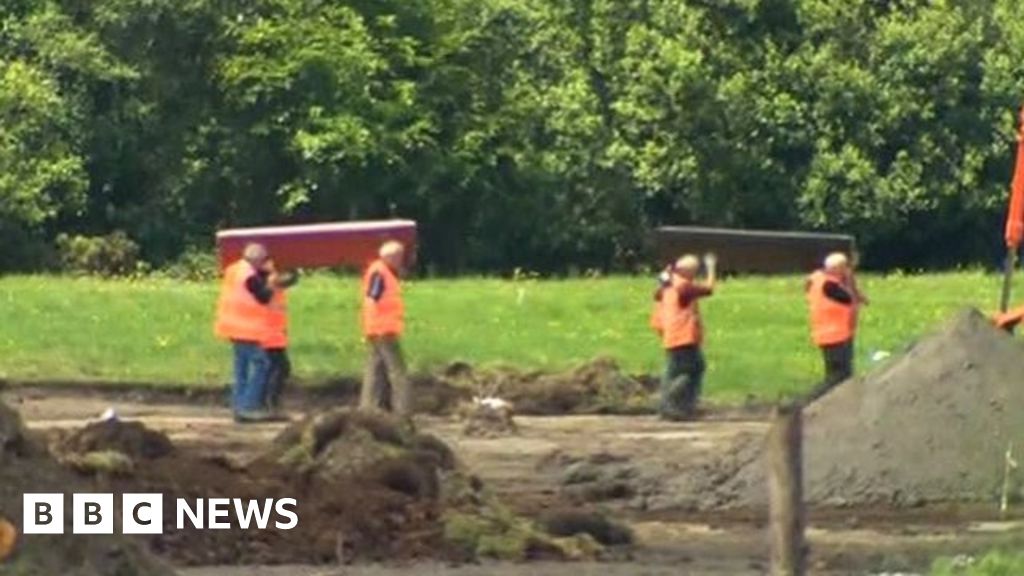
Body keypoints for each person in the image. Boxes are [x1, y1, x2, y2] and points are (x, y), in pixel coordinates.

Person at [214, 243, 275, 423]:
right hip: (246, 329)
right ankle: (247, 406)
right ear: (258, 260)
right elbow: (262, 296)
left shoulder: (235, 269)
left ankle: (239, 405)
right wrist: (271, 282)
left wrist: (264, 274)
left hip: (232, 326)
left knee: (240, 369)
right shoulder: (249, 276)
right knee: (262, 364)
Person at [654, 253, 717, 421]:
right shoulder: (684, 288)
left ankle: (669, 406)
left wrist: (670, 268)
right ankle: (676, 405)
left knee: (673, 371)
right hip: (684, 335)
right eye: (695, 272)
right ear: (689, 272)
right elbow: (709, 289)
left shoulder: (667, 282)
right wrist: (711, 267)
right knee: (693, 369)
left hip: (670, 334)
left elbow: (661, 280)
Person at [805, 252, 868, 401]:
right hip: (837, 335)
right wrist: (851, 283)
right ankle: (805, 403)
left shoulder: (817, 279)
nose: (847, 271)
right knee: (840, 375)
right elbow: (849, 300)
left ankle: (821, 404)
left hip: (825, 333)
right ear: (837, 268)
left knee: (834, 374)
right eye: (845, 267)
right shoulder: (830, 286)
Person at [360, 240, 410, 416]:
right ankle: (402, 412)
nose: (400, 260)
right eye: (398, 257)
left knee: (374, 370)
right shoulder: (380, 272)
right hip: (384, 330)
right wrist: (375, 324)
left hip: (377, 329)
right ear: (390, 257)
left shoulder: (382, 271)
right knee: (398, 371)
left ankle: (367, 409)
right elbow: (372, 298)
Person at [262, 260, 299, 413]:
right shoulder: (270, 281)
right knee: (279, 368)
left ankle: (269, 401)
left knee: (276, 368)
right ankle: (271, 403)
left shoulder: (271, 284)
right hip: (269, 335)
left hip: (275, 334)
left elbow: (291, 279)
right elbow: (290, 279)